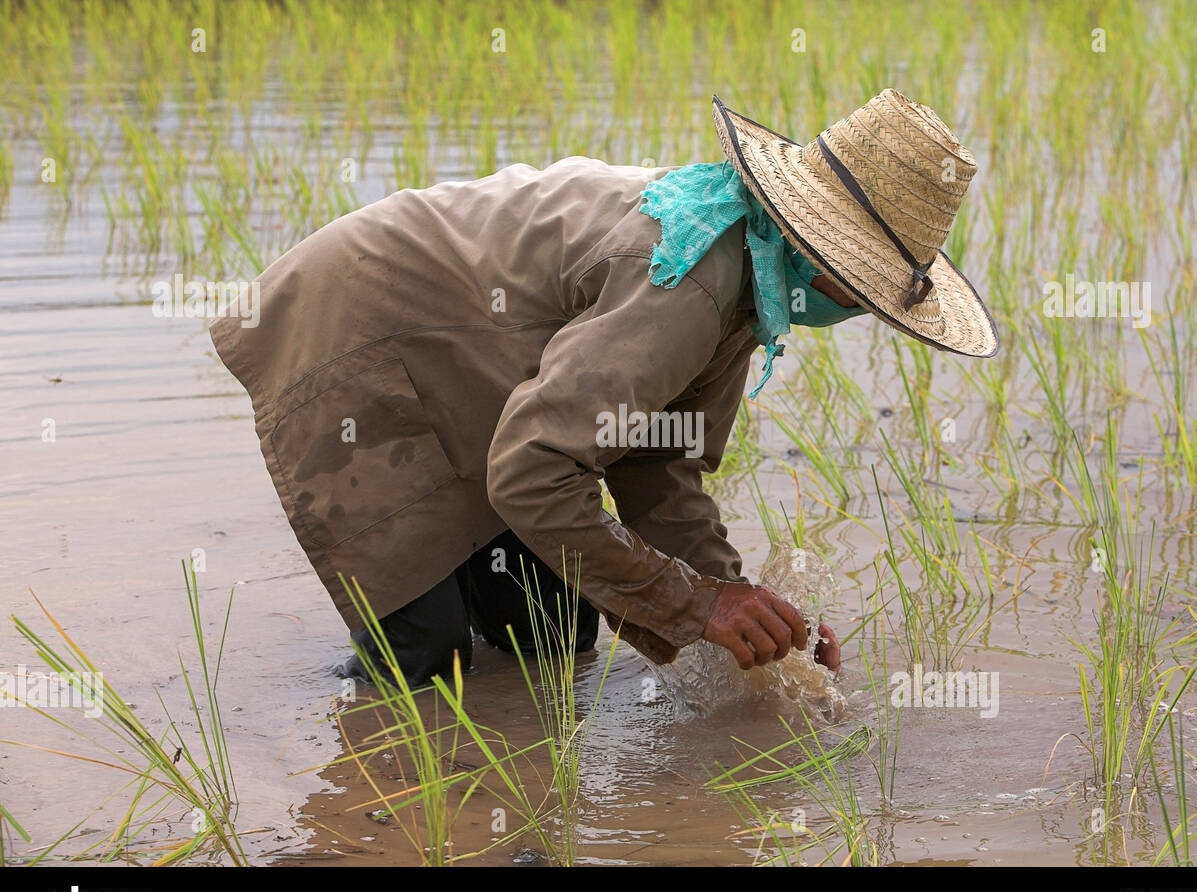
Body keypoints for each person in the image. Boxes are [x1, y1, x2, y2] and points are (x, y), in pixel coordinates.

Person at [208, 88, 997, 686]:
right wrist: (696, 608)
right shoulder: (693, 283)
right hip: (357, 329)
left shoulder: (747, 273)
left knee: (549, 638)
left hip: (485, 378)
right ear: (825, 264)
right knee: (427, 664)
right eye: (865, 291)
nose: (858, 311)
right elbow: (532, 470)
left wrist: (744, 612)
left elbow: (657, 462)